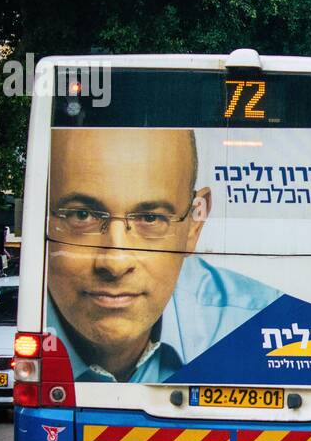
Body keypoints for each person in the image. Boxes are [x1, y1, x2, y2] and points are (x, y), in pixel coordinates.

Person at [46, 127, 280, 383]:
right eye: (82, 216)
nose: (115, 262)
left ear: (194, 225)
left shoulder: (261, 318)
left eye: (150, 218)